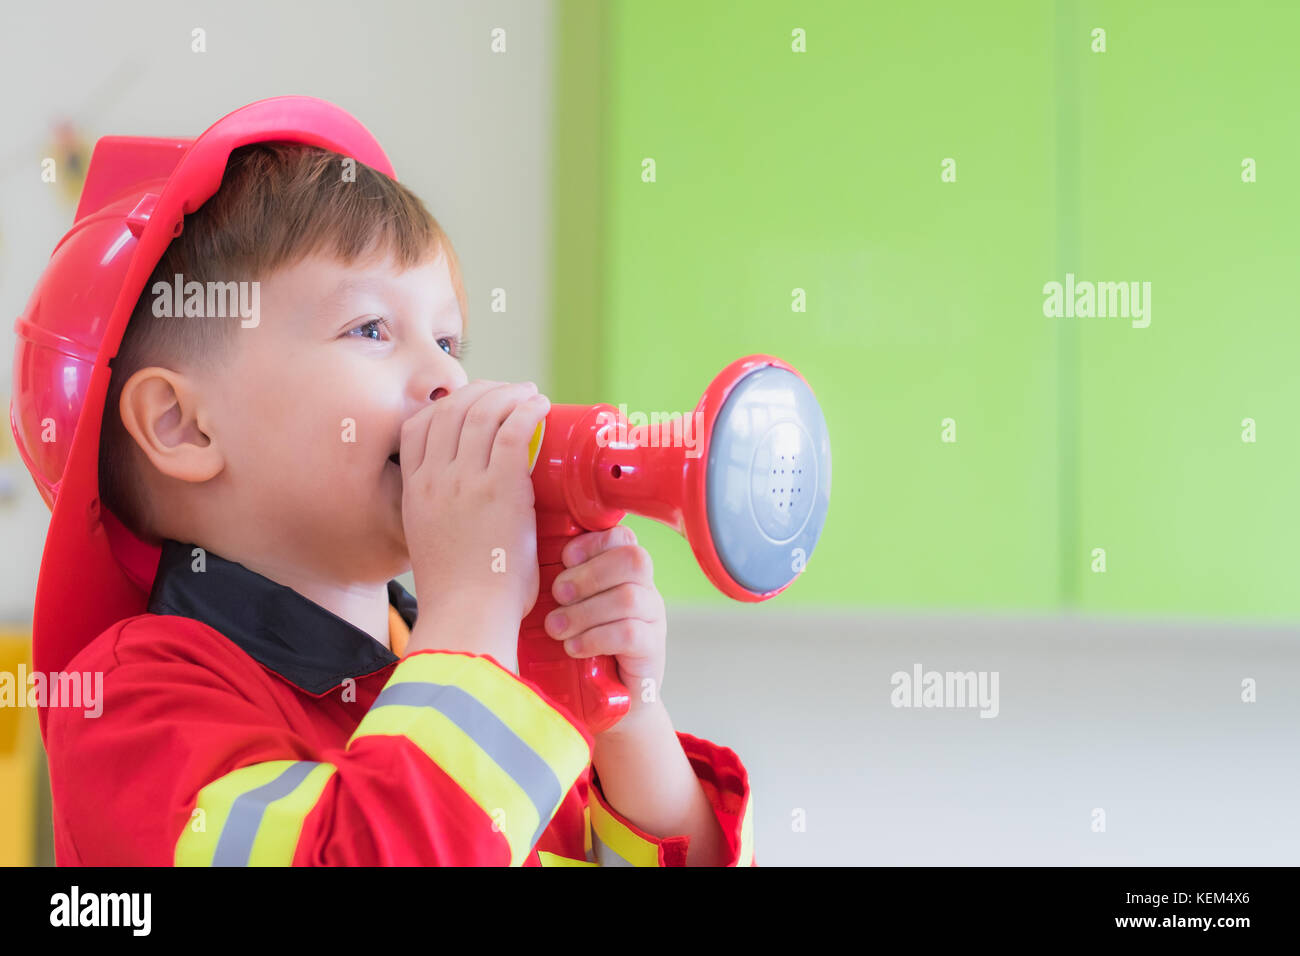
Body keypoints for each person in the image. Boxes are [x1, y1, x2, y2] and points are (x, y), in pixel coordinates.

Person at [11, 97, 755, 866]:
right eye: (370, 330)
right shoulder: (132, 700)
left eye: (447, 339)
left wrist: (624, 719)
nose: (447, 377)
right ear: (183, 427)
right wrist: (473, 608)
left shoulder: (476, 673)